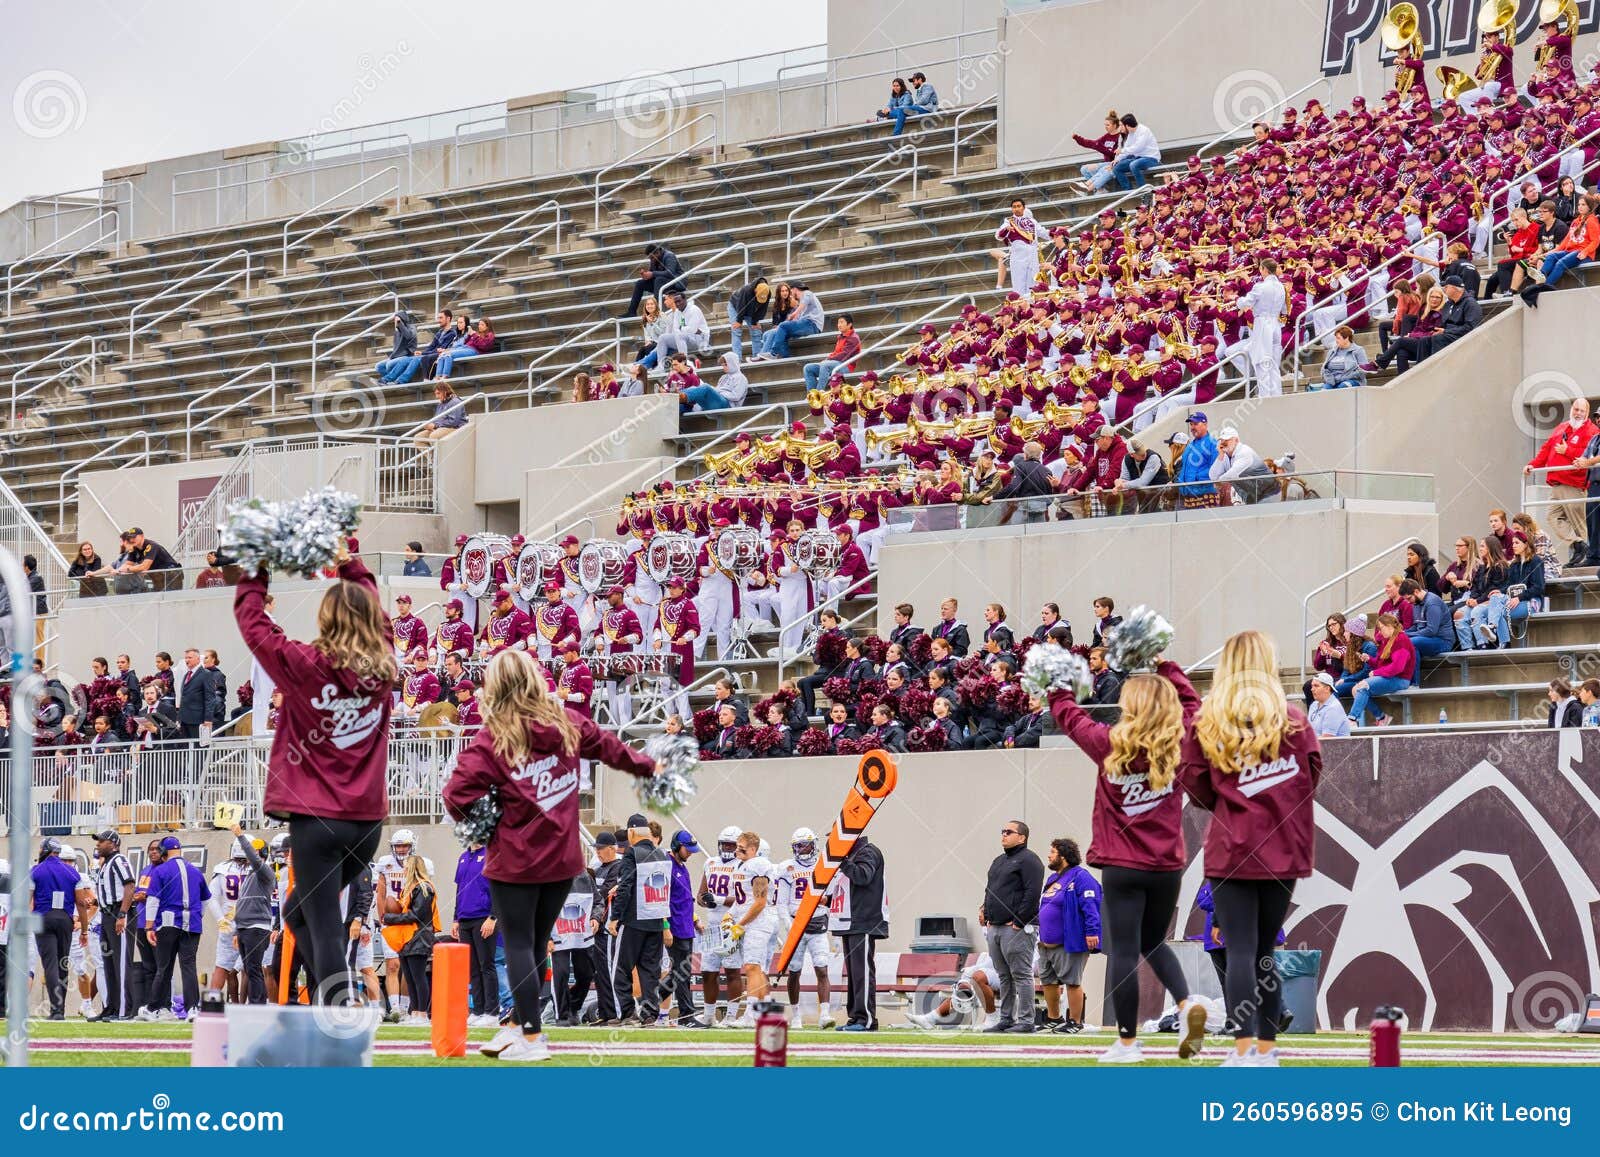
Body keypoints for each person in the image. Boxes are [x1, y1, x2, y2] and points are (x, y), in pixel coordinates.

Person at [443, 650, 656, 1060]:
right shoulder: (567, 723)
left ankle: (531, 1035)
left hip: (515, 859)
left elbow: (455, 795)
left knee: (520, 943)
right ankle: (512, 1026)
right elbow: (610, 746)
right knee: (537, 943)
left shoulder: (494, 738)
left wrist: (487, 820)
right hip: (563, 858)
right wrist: (648, 766)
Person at [233, 539, 395, 1007]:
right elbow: (377, 614)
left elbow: (254, 625)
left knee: (324, 926)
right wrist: (351, 565)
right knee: (297, 912)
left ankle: (340, 1017)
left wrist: (255, 572)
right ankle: (331, 1000)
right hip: (366, 823)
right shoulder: (382, 666)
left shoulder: (305, 664)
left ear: (325, 621)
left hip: (316, 820)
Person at [1048, 656, 1206, 1063]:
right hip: (1167, 865)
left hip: (1122, 865)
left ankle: (1127, 1042)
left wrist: (1058, 684)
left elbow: (1067, 715)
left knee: (1124, 951)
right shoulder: (1180, 740)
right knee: (1153, 941)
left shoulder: (1108, 742)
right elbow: (1194, 707)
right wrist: (1169, 666)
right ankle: (1187, 1004)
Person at [1183, 630, 1320, 1067]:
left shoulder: (1209, 723)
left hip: (1233, 847)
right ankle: (1266, 1050)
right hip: (1285, 849)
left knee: (1240, 950)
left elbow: (1194, 784)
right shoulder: (1295, 721)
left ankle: (1243, 1050)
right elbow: (1312, 776)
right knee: (1264, 951)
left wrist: (1232, 795)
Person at [979, 820, 1045, 1034]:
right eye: (1002, 831)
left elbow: (1032, 894)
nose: (1004, 835)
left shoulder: (1030, 860)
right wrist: (985, 912)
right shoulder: (999, 861)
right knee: (1004, 975)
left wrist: (1018, 921)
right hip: (995, 927)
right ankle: (1006, 1019)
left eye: (1009, 832)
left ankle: (1026, 1021)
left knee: (1021, 974)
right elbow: (990, 890)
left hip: (1017, 928)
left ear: (1022, 837)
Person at [607, 814, 673, 1025]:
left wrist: (615, 917)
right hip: (654, 920)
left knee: (620, 968)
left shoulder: (632, 853)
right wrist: (664, 924)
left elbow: (625, 887)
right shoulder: (662, 854)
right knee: (650, 971)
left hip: (634, 920)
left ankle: (627, 1012)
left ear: (632, 832)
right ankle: (649, 1015)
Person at [139, 834, 210, 1022]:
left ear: (163, 851)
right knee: (188, 966)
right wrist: (196, 915)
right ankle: (193, 1008)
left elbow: (153, 900)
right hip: (192, 924)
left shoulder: (160, 871)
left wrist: (148, 927)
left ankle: (153, 1008)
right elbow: (206, 900)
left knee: (164, 968)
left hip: (168, 923)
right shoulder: (195, 871)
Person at [1525, 397, 1597, 567]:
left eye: (1582, 411)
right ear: (1572, 409)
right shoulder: (1561, 427)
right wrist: (1532, 465)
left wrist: (1568, 450)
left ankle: (1590, 559)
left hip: (1573, 484)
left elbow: (1590, 457)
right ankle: (1578, 544)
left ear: (1587, 413)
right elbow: (1546, 449)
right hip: (1556, 484)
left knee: (1580, 524)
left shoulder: (1591, 431)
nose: (1578, 413)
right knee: (1552, 516)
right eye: (1576, 409)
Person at [1037, 837, 1099, 1032]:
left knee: (1072, 981)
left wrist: (1092, 931)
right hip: (1046, 943)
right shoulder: (1052, 879)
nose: (1049, 855)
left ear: (1063, 856)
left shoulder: (1081, 877)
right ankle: (1053, 1018)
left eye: (1053, 852)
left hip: (1070, 941)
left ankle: (1075, 1022)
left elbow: (1091, 906)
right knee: (1049, 981)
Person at [826, 834, 887, 1031]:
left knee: (862, 973)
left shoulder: (868, 851)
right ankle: (855, 1017)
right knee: (853, 974)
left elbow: (863, 876)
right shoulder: (853, 854)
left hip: (864, 921)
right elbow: (852, 890)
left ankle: (866, 1019)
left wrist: (842, 862)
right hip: (851, 922)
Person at [32, 838, 94, 1020]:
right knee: (62, 964)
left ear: (45, 850)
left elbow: (28, 901)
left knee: (50, 964)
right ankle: (61, 1008)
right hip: (65, 920)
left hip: (43, 918)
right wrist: (84, 929)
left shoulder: (36, 871)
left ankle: (56, 1010)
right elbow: (82, 904)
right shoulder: (72, 873)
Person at [381, 855, 439, 1023]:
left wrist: (390, 918)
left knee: (418, 976)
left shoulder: (423, 887)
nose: (404, 870)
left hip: (419, 935)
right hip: (407, 937)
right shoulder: (410, 888)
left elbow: (417, 915)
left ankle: (422, 1013)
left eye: (406, 867)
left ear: (414, 868)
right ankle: (414, 1012)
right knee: (409, 977)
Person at [1523, 193, 1600, 306]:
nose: (1580, 207)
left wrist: (1585, 252)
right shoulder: (1575, 221)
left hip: (1582, 254)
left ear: (1589, 206)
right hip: (1571, 251)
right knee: (1551, 257)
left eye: (1583, 204)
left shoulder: (1592, 220)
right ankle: (1541, 275)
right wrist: (1546, 254)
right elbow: (1564, 243)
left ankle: (1542, 287)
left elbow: (1596, 241)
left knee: (1560, 263)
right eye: (1579, 204)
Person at [91, 829, 136, 1021]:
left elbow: (130, 886)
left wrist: (122, 914)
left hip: (119, 913)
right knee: (108, 964)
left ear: (113, 843)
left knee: (121, 963)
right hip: (107, 914)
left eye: (102, 841)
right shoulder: (106, 864)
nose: (98, 844)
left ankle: (125, 1010)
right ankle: (112, 1006)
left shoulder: (119, 860)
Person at [453, 840, 499, 1025]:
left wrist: (493, 917)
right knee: (472, 967)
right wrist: (456, 918)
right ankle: (478, 1010)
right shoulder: (463, 857)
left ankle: (492, 1012)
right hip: (465, 919)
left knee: (486, 965)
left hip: (483, 917)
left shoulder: (491, 855)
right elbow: (459, 889)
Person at [660, 829, 701, 1027]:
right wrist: (665, 927)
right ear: (677, 846)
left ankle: (650, 1002)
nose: (691, 853)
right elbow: (661, 900)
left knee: (682, 972)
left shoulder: (681, 867)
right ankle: (686, 1015)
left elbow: (685, 898)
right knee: (680, 972)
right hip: (675, 927)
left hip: (686, 927)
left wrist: (694, 920)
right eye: (688, 849)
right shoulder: (667, 866)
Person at [1347, 613, 1415, 727]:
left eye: (1381, 628)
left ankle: (1352, 719)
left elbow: (1398, 667)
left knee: (1363, 686)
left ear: (1389, 626)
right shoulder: (1387, 640)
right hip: (1390, 677)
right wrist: (1369, 659)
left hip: (1400, 679)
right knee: (1355, 690)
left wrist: (1376, 672)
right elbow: (1380, 664)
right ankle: (1382, 717)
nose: (1379, 632)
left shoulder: (1401, 639)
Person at [1237, 259, 1286, 398]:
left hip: (1263, 322)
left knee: (1261, 360)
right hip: (1276, 323)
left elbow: (1245, 302)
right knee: (1274, 362)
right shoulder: (1281, 286)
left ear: (1264, 269)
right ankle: (1276, 394)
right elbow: (1285, 309)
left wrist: (1237, 299)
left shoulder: (1260, 286)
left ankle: (1265, 395)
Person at [751, 282, 823, 361]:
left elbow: (804, 302)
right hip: (806, 325)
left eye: (790, 292)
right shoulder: (800, 303)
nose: (790, 294)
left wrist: (795, 313)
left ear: (795, 289)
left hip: (812, 325)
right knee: (772, 333)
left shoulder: (807, 293)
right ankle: (787, 358)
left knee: (783, 326)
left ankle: (773, 353)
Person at [1402, 579, 1455, 676]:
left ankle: (1414, 683)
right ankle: (1411, 681)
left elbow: (1431, 631)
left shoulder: (1432, 603)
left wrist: (1407, 634)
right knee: (1404, 642)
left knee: (1411, 642)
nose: (1408, 602)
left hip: (1442, 641)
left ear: (1416, 591)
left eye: (1409, 598)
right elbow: (1416, 626)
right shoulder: (1416, 603)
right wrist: (1402, 633)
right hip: (1427, 639)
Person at [622, 243, 685, 318]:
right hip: (661, 283)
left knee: (658, 280)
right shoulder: (654, 259)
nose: (651, 260)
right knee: (640, 283)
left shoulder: (669, 256)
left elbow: (671, 273)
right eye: (650, 258)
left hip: (677, 282)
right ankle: (631, 311)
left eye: (652, 258)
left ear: (657, 252)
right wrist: (646, 275)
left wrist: (652, 274)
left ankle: (655, 310)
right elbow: (653, 274)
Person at [992, 198, 1041, 294]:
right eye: (1014, 207)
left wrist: (1057, 230)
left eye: (1019, 206)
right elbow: (998, 235)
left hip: (1032, 256)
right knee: (1019, 286)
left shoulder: (1033, 222)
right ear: (1012, 209)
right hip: (1019, 257)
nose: (1016, 209)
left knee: (1034, 284)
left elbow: (1044, 232)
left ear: (1023, 208)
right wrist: (1006, 230)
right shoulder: (1009, 221)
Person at [1101, 113, 1160, 190]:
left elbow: (1137, 148)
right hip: (1137, 158)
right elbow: (1127, 149)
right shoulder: (1131, 134)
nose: (1120, 128)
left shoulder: (1144, 131)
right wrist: (1116, 160)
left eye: (1122, 125)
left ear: (1127, 126)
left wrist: (1121, 150)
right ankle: (1128, 190)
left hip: (1151, 158)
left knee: (1134, 165)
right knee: (1117, 168)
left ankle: (1144, 191)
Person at [803, 314, 862, 391]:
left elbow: (844, 356)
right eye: (838, 323)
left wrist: (829, 359)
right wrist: (827, 358)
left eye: (841, 322)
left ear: (849, 324)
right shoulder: (841, 336)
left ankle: (819, 393)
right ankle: (811, 395)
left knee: (825, 365)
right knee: (808, 368)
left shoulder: (853, 338)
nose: (839, 325)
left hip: (846, 366)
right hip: (835, 364)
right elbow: (836, 353)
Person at [175, 647, 221, 742]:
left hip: (198, 720)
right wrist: (179, 718)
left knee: (198, 749)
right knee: (186, 748)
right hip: (184, 720)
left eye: (190, 657)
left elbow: (210, 698)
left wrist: (208, 719)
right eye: (186, 658)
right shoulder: (186, 675)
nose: (187, 660)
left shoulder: (206, 674)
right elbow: (183, 698)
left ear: (198, 659)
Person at [680, 352, 747, 412]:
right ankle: (677, 398)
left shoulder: (741, 378)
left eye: (725, 365)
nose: (723, 367)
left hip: (728, 405)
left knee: (706, 387)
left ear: (733, 363)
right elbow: (717, 390)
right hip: (717, 402)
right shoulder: (723, 377)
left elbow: (736, 396)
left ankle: (682, 396)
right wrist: (716, 390)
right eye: (722, 365)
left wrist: (719, 392)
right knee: (694, 389)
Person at [435, 315, 495, 380]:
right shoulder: (477, 334)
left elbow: (483, 346)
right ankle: (438, 376)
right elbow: (467, 342)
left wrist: (473, 334)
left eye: (482, 325)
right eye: (479, 324)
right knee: (443, 354)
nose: (479, 326)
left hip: (474, 350)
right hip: (465, 347)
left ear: (487, 326)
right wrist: (470, 335)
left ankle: (444, 376)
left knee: (448, 354)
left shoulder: (490, 335)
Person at [727, 277, 771, 362]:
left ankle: (756, 356)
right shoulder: (746, 290)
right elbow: (741, 306)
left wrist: (755, 321)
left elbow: (763, 308)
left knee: (756, 331)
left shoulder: (767, 292)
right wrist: (739, 321)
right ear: (755, 290)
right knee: (737, 330)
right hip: (736, 307)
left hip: (751, 310)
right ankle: (737, 359)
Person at [889, 71, 938, 136]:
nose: (913, 83)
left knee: (902, 110)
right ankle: (889, 115)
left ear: (920, 80)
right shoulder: (919, 90)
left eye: (914, 81)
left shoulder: (927, 86)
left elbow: (924, 100)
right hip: (920, 109)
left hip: (927, 109)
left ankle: (896, 134)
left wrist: (914, 105)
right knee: (896, 112)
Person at [1317, 325, 1367, 390]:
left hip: (1352, 380)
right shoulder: (1332, 351)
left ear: (1346, 338)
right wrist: (1330, 380)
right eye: (1336, 338)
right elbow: (1324, 369)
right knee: (1324, 390)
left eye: (1338, 338)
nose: (1336, 341)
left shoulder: (1358, 350)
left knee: (1342, 387)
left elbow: (1364, 370)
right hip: (1333, 381)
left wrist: (1343, 378)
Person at [1305, 672, 1352, 738]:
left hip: (1335, 747)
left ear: (1327, 688)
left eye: (1316, 686)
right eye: (1312, 686)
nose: (1312, 689)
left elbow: (1327, 739)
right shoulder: (1313, 705)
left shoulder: (1334, 708)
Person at [374, 312, 417, 378]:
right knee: (378, 366)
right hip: (397, 356)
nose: (395, 322)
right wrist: (391, 356)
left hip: (407, 356)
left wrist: (400, 323)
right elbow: (396, 349)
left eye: (396, 320)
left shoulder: (411, 327)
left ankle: (390, 379)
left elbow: (408, 336)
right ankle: (391, 379)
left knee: (389, 364)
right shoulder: (397, 332)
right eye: (395, 320)